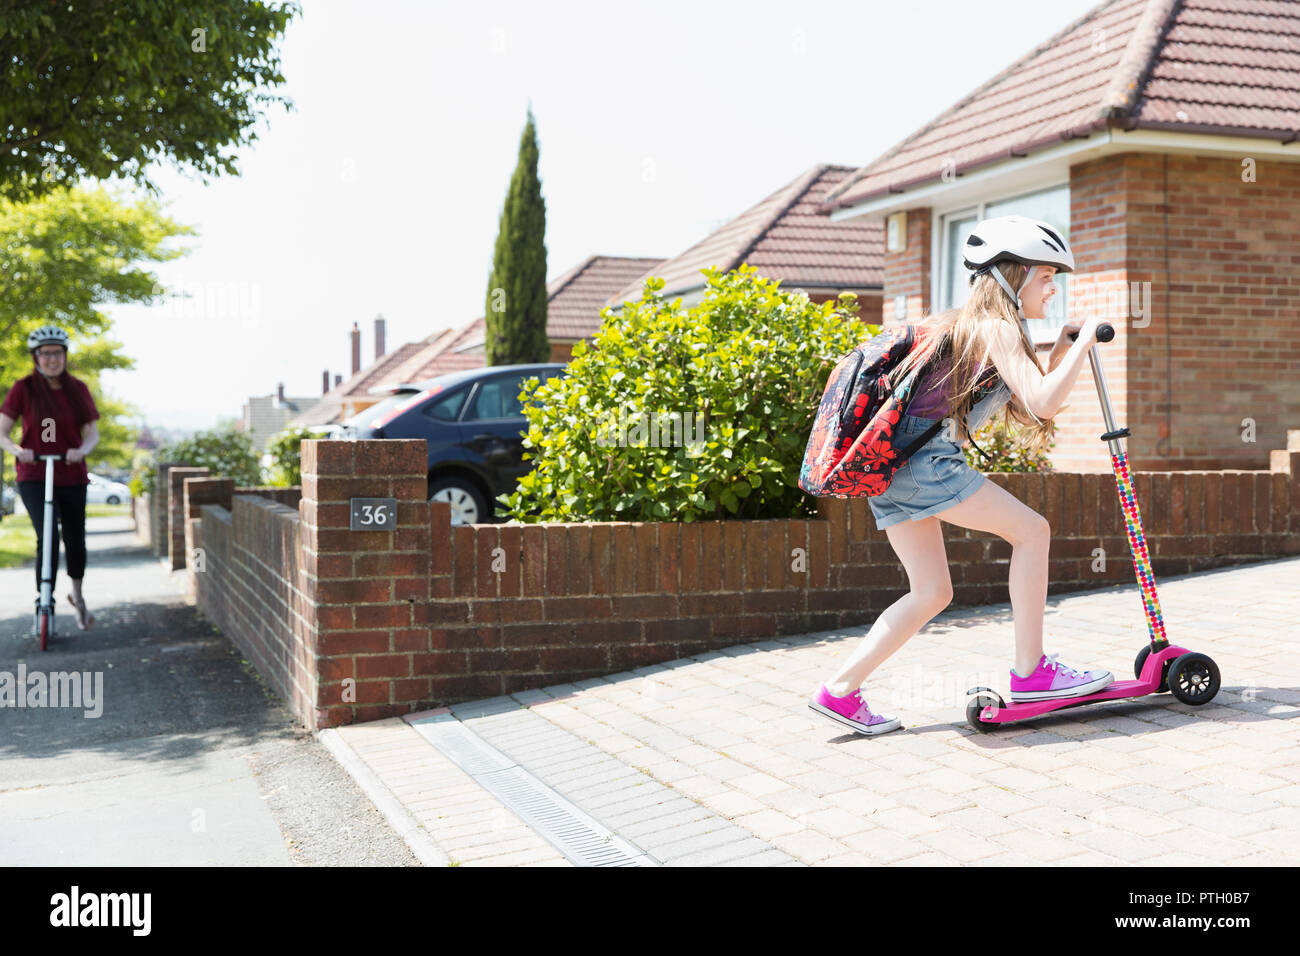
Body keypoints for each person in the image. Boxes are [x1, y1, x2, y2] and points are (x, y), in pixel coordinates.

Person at [809, 215, 1111, 736]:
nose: (1051, 290)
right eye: (1045, 278)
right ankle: (1033, 672)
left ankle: (839, 691)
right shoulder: (994, 327)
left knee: (931, 591)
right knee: (1033, 531)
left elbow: (1037, 405)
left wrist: (1063, 348)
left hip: (893, 470)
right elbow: (1042, 400)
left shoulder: (975, 327)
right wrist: (1084, 345)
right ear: (1012, 276)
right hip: (929, 467)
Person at [0, 325, 100, 631]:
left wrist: (81, 450)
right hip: (34, 474)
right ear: (36, 357)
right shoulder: (24, 388)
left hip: (71, 474)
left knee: (74, 537)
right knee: (47, 536)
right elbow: (2, 432)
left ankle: (78, 597)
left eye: (57, 353)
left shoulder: (78, 389)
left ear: (65, 355)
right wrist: (18, 449)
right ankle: (45, 599)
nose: (52, 359)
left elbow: (92, 432)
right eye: (45, 354)